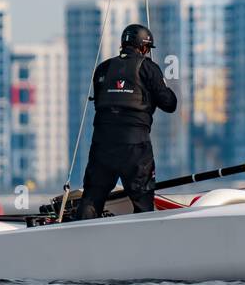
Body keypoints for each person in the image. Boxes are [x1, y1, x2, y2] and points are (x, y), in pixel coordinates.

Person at [75, 24, 177, 219]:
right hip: (135, 146)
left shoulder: (102, 68)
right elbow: (170, 104)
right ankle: (141, 246)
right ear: (143, 47)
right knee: (143, 205)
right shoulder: (148, 68)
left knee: (91, 200)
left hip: (102, 145)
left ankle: (78, 241)